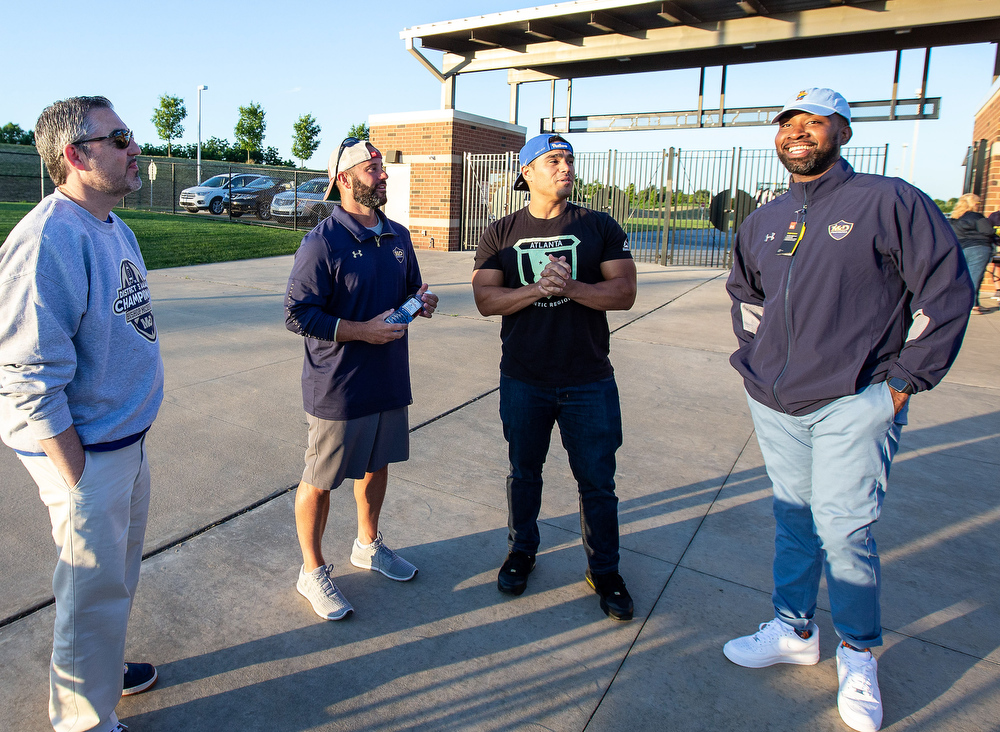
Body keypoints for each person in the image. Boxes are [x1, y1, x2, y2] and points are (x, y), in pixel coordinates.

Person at [724, 88, 973, 732]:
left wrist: (903, 383)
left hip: (854, 399)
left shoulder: (888, 201)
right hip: (776, 403)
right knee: (793, 520)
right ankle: (793, 629)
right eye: (788, 123)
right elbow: (746, 297)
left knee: (844, 531)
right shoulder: (764, 219)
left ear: (843, 132)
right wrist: (755, 361)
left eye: (815, 121)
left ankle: (859, 654)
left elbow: (946, 292)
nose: (798, 132)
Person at [0, 97, 164, 732]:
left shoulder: (112, 225)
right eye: (118, 139)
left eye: (130, 135)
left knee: (114, 580)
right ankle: (83, 720)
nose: (134, 148)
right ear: (74, 155)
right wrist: (79, 478)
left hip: (123, 441)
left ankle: (102, 669)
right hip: (84, 452)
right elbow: (25, 375)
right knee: (89, 593)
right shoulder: (48, 239)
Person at [472, 133, 638, 621]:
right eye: (553, 160)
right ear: (527, 172)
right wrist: (536, 290)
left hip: (589, 379)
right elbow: (485, 300)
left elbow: (624, 293)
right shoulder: (500, 233)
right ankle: (521, 552)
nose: (565, 168)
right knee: (524, 473)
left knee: (597, 481)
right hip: (524, 378)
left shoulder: (598, 225)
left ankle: (604, 570)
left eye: (569, 160)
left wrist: (571, 287)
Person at [285, 138, 438, 621]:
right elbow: (297, 314)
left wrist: (419, 303)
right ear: (344, 180)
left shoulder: (398, 235)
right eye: (372, 168)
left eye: (382, 167)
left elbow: (409, 290)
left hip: (388, 376)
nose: (383, 174)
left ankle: (367, 545)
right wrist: (361, 331)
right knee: (321, 479)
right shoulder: (322, 242)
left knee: (378, 463)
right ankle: (311, 571)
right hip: (339, 384)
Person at [948, 193, 996, 313]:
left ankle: (968, 303)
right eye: (978, 202)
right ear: (974, 204)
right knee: (975, 276)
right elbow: (988, 231)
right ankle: (972, 305)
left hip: (962, 248)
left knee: (964, 276)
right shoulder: (976, 216)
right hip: (979, 249)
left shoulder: (955, 217)